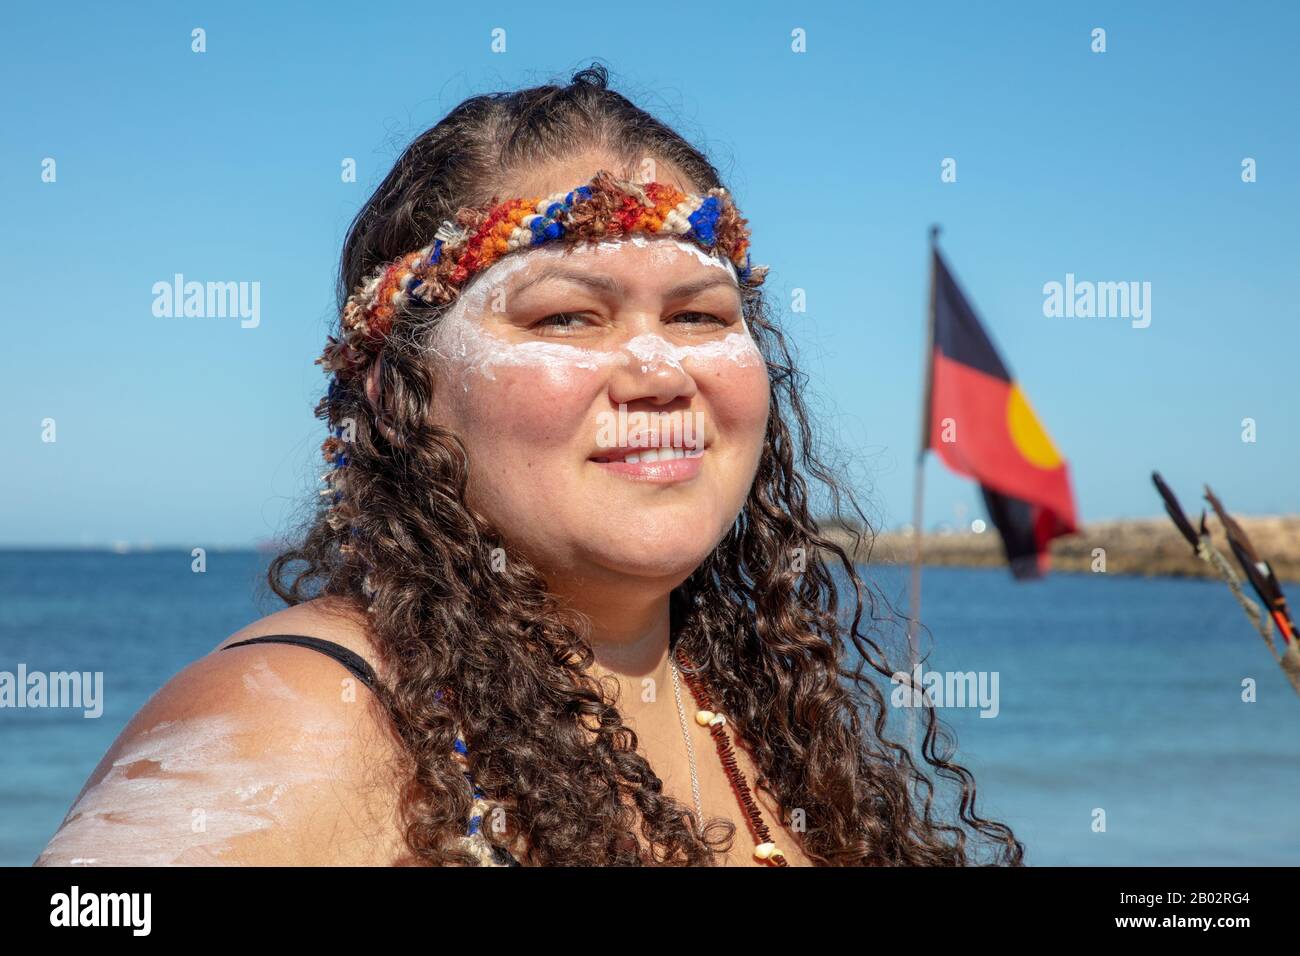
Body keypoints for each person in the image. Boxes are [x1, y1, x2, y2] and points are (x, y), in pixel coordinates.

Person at [36, 64, 1022, 867]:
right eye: (567, 316)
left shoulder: (763, 718)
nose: (656, 368)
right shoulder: (304, 723)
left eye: (698, 315)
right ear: (397, 387)